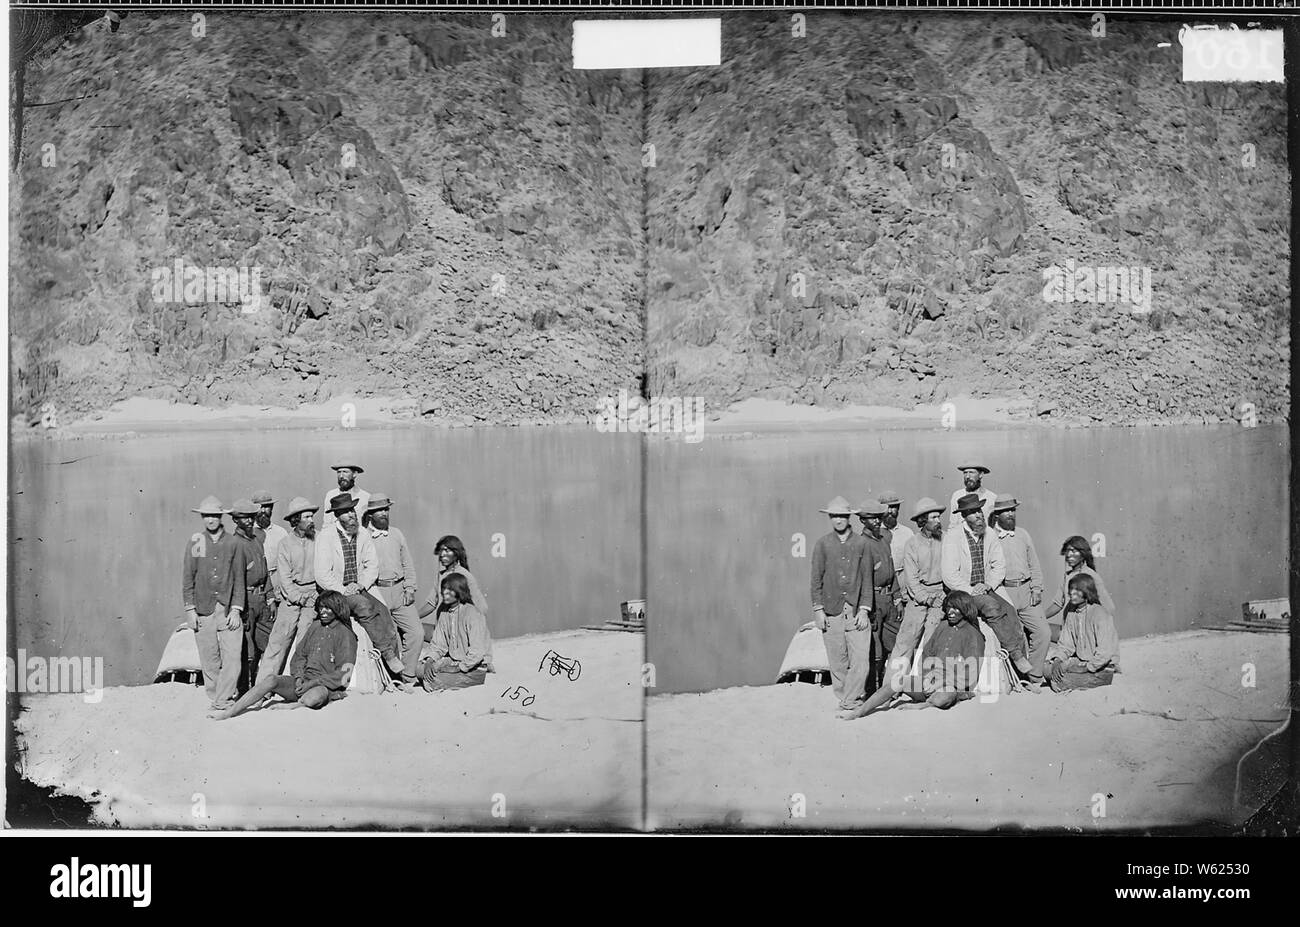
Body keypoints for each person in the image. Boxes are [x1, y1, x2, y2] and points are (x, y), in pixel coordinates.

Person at [838, 591, 986, 720]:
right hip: (930, 682)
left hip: (951, 688)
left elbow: (969, 676)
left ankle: (924, 705)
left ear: (965, 610)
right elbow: (927, 654)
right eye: (948, 608)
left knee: (945, 695)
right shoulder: (942, 626)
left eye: (956, 608)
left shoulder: (973, 635)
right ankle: (859, 712)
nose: (950, 612)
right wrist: (927, 676)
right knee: (898, 681)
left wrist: (941, 683)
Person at [212, 591, 358, 720]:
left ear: (338, 609)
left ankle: (295, 705)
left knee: (315, 696)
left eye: (328, 608)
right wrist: (300, 677)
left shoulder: (346, 635)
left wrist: (313, 683)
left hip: (324, 688)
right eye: (320, 608)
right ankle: (231, 711)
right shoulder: (315, 626)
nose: (323, 612)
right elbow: (299, 656)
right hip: (302, 683)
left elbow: (344, 675)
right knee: (271, 680)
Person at [941, 492, 1035, 678]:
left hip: (986, 587)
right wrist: (971, 589)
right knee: (991, 606)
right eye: (973, 513)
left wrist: (988, 584)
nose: (978, 515)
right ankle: (1015, 655)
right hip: (961, 591)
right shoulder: (953, 537)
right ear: (964, 516)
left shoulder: (989, 534)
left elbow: (999, 565)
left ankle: (1022, 670)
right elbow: (950, 576)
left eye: (979, 511)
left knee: (1009, 609)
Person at [314, 492, 405, 676]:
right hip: (334, 592)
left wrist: (361, 584)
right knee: (363, 605)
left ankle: (395, 674)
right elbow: (322, 575)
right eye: (346, 512)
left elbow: (372, 565)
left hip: (359, 587)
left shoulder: (362, 533)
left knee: (383, 612)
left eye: (352, 510)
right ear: (337, 516)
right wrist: (343, 589)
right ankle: (387, 654)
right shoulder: (326, 536)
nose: (352, 515)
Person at [181, 495, 247, 712]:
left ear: (221, 517)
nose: (210, 520)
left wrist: (236, 609)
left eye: (214, 516)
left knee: (232, 656)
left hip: (227, 608)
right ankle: (217, 695)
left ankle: (224, 698)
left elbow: (239, 578)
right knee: (209, 656)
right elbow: (188, 578)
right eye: (206, 516)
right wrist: (190, 610)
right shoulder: (196, 541)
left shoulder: (233, 543)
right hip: (203, 608)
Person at [808, 496, 873, 712]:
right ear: (830, 518)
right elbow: (816, 579)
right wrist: (818, 610)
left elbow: (867, 580)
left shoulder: (862, 543)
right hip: (831, 609)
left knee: (861, 658)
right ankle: (846, 698)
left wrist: (864, 609)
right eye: (834, 516)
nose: (838, 520)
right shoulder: (822, 544)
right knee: (837, 659)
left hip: (855, 610)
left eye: (842, 516)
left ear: (849, 517)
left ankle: (851, 699)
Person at [989, 494, 1050, 686]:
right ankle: (1017, 678)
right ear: (997, 515)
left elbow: (1034, 563)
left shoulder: (1023, 534)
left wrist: (1037, 588)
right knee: (1015, 637)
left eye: (1012, 510)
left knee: (1043, 632)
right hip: (1004, 592)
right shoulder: (990, 537)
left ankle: (1035, 675)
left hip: (1026, 590)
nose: (1010, 514)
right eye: (1005, 511)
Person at [256, 497, 319, 682]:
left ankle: (299, 683)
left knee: (305, 637)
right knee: (278, 641)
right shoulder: (285, 544)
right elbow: (285, 580)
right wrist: (299, 598)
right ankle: (263, 687)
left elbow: (324, 570)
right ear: (296, 520)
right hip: (291, 598)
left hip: (314, 596)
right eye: (306, 517)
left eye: (312, 516)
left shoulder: (319, 538)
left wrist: (316, 594)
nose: (311, 520)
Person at [366, 494, 423, 686]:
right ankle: (392, 678)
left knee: (416, 632)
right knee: (390, 637)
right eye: (378, 511)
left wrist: (410, 587)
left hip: (399, 590)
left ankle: (408, 674)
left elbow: (408, 563)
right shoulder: (364, 537)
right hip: (377, 591)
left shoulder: (397, 534)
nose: (383, 514)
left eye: (386, 509)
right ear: (370, 515)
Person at [891, 496, 947, 673]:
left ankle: (927, 685)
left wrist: (942, 596)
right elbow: (912, 580)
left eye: (939, 517)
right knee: (905, 641)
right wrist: (925, 598)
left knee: (933, 640)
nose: (938, 521)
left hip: (940, 595)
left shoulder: (946, 539)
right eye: (934, 518)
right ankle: (892, 686)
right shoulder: (912, 544)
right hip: (918, 597)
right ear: (923, 521)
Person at [1045, 574, 1120, 692]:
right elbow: (1066, 644)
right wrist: (1058, 660)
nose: (1072, 594)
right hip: (1081, 662)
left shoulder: (1099, 613)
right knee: (1045, 668)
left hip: (1101, 668)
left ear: (1087, 592)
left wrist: (1086, 668)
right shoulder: (1071, 612)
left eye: (1077, 591)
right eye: (1070, 590)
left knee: (1059, 682)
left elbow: (1105, 653)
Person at [420, 573, 494, 692]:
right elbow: (439, 644)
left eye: (450, 591)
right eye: (443, 589)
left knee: (431, 682)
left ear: (460, 592)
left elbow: (478, 652)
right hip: (454, 661)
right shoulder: (443, 611)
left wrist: (459, 668)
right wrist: (429, 661)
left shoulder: (473, 613)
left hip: (474, 667)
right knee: (418, 669)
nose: (445, 594)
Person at [229, 498, 273, 693]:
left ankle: (260, 685)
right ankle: (243, 690)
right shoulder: (234, 544)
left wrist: (270, 597)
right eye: (243, 518)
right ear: (235, 520)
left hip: (261, 598)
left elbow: (265, 571)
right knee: (246, 650)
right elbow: (234, 580)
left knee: (266, 642)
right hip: (245, 600)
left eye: (250, 517)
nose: (248, 521)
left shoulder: (256, 540)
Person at [857, 498, 899, 692]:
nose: (876, 521)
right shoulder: (862, 544)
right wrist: (866, 607)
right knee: (875, 651)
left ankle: (889, 687)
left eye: (878, 517)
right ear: (862, 520)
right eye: (871, 518)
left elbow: (892, 572)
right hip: (872, 601)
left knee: (895, 643)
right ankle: (871, 691)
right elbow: (862, 579)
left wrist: (897, 597)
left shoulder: (883, 540)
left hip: (889, 598)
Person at [1044, 536, 1116, 641]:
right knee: (1035, 629)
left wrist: (1093, 632)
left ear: (1083, 555)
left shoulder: (1091, 576)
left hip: (1084, 636)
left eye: (1073, 551)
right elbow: (1058, 604)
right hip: (1068, 631)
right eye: (1067, 551)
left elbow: (1109, 608)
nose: (1069, 555)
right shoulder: (1067, 576)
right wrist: (1036, 619)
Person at [418, 535, 489, 640]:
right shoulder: (440, 575)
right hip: (442, 632)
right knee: (410, 629)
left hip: (459, 636)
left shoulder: (464, 576)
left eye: (447, 551)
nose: (442, 555)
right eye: (441, 551)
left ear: (456, 554)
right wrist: (410, 619)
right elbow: (432, 603)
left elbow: (482, 608)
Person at [253, 490, 288, 615]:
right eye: (259, 507)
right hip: (259, 586)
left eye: (266, 507)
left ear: (272, 509)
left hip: (279, 583)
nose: (263, 511)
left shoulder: (281, 533)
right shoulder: (249, 534)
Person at [322, 464, 371, 532]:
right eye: (339, 472)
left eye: (345, 472)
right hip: (335, 539)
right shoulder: (331, 495)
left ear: (354, 474)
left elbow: (368, 526)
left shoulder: (365, 497)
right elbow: (326, 524)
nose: (341, 476)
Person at [947, 463, 996, 529]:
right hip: (960, 537)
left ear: (981, 475)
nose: (967, 476)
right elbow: (952, 524)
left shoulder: (992, 497)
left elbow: (994, 526)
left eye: (971, 472)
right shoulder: (957, 495)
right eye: (965, 473)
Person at [878, 490, 912, 574]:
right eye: (886, 507)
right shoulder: (874, 533)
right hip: (883, 579)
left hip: (904, 577)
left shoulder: (907, 533)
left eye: (893, 507)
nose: (889, 511)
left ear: (898, 508)